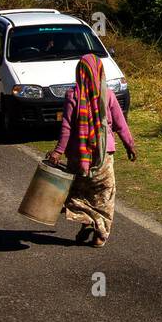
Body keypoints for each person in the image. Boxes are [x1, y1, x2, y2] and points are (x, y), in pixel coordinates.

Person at [45, 53, 135, 247]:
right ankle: (100, 234)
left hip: (78, 156)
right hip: (104, 155)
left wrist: (58, 151)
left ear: (80, 72)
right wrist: (130, 145)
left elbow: (67, 127)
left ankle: (88, 221)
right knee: (104, 194)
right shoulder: (108, 95)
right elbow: (120, 124)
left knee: (78, 193)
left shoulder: (72, 95)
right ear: (100, 72)